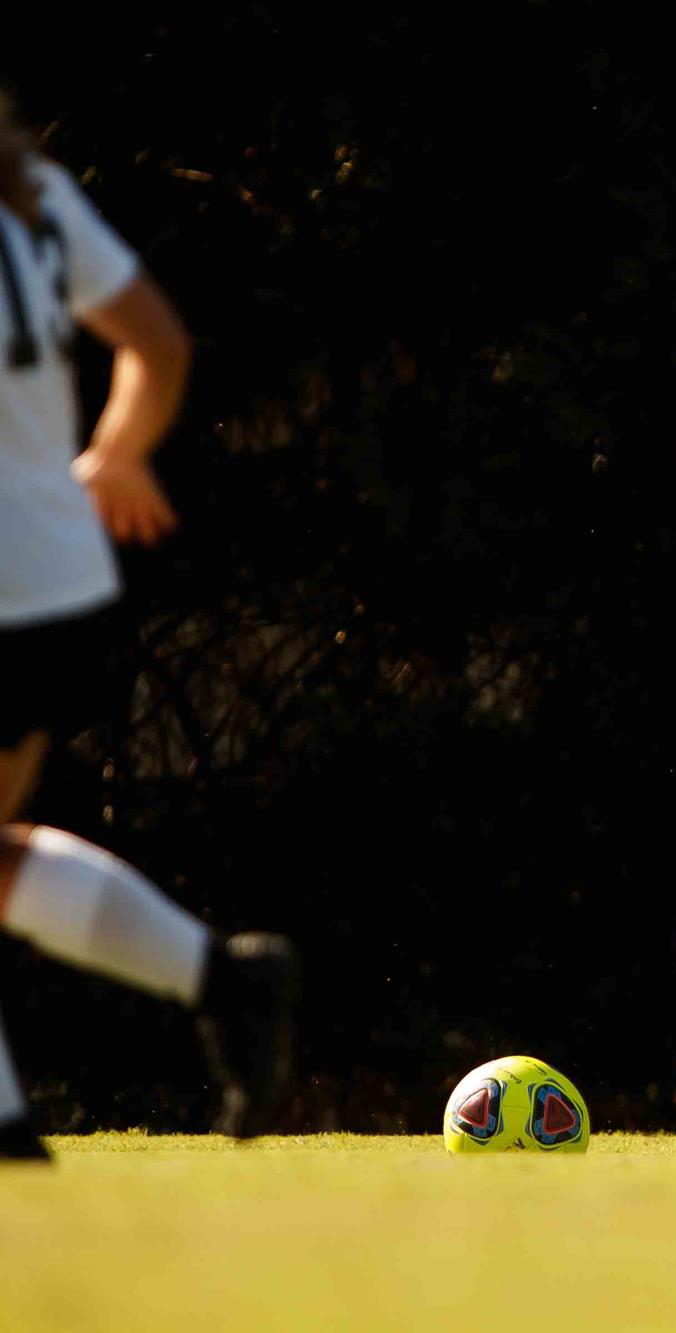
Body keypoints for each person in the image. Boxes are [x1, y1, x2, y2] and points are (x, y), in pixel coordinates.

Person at [0, 95, 297, 1159]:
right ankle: (225, 980)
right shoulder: (29, 193)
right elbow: (158, 343)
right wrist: (118, 453)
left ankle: (6, 1128)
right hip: (56, 579)